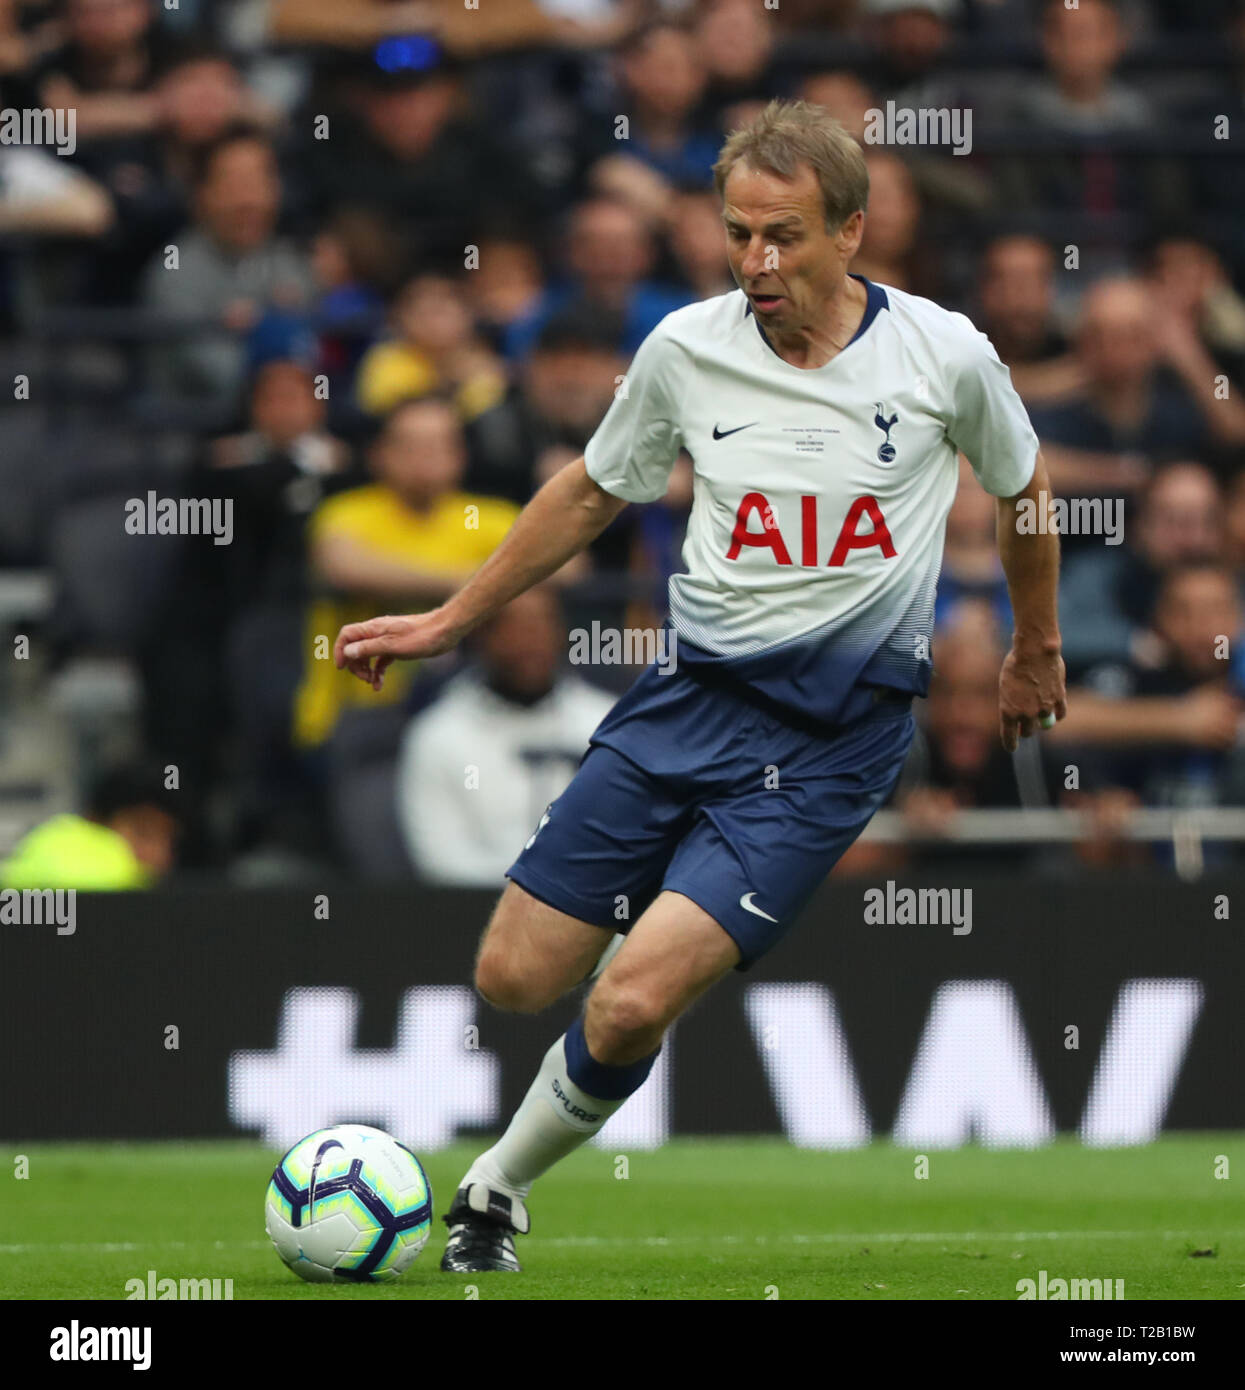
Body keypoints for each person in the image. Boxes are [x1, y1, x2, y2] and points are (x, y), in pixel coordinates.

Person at [333, 100, 1065, 1273]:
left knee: (627, 1003)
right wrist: (450, 618)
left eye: (784, 235)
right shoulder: (685, 348)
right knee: (513, 974)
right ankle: (668, 918)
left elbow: (1025, 493)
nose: (757, 261)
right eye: (738, 234)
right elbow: (591, 490)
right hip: (688, 701)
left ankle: (493, 1190)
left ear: (853, 232)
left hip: (834, 739)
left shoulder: (945, 353)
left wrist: (1036, 645)